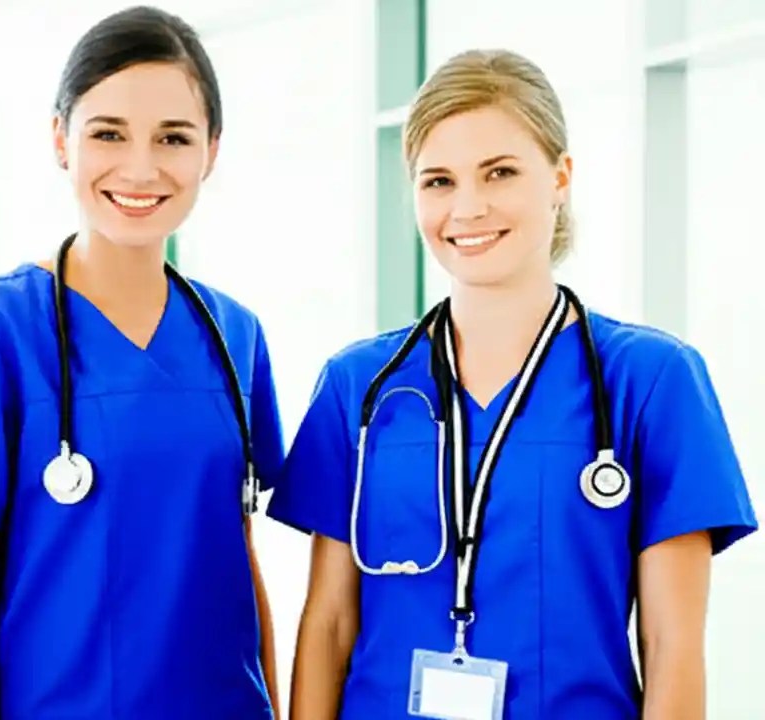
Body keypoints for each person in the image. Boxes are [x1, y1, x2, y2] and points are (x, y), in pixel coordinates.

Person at [268, 48, 758, 720]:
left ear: (560, 176)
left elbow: (672, 643)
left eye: (499, 173)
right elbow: (326, 626)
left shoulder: (651, 380)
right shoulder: (360, 386)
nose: (468, 207)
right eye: (438, 181)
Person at [0, 6, 285, 718]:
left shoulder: (234, 334)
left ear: (211, 152)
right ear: (61, 140)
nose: (141, 167)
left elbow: (240, 565)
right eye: (108, 134)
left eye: (174, 138)